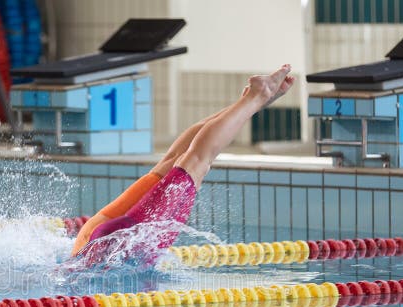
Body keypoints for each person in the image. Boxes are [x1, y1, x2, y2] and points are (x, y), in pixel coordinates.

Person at [71, 64, 295, 257]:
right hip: (88, 239)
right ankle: (250, 102)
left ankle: (256, 97)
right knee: (174, 159)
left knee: (197, 160)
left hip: (115, 243)